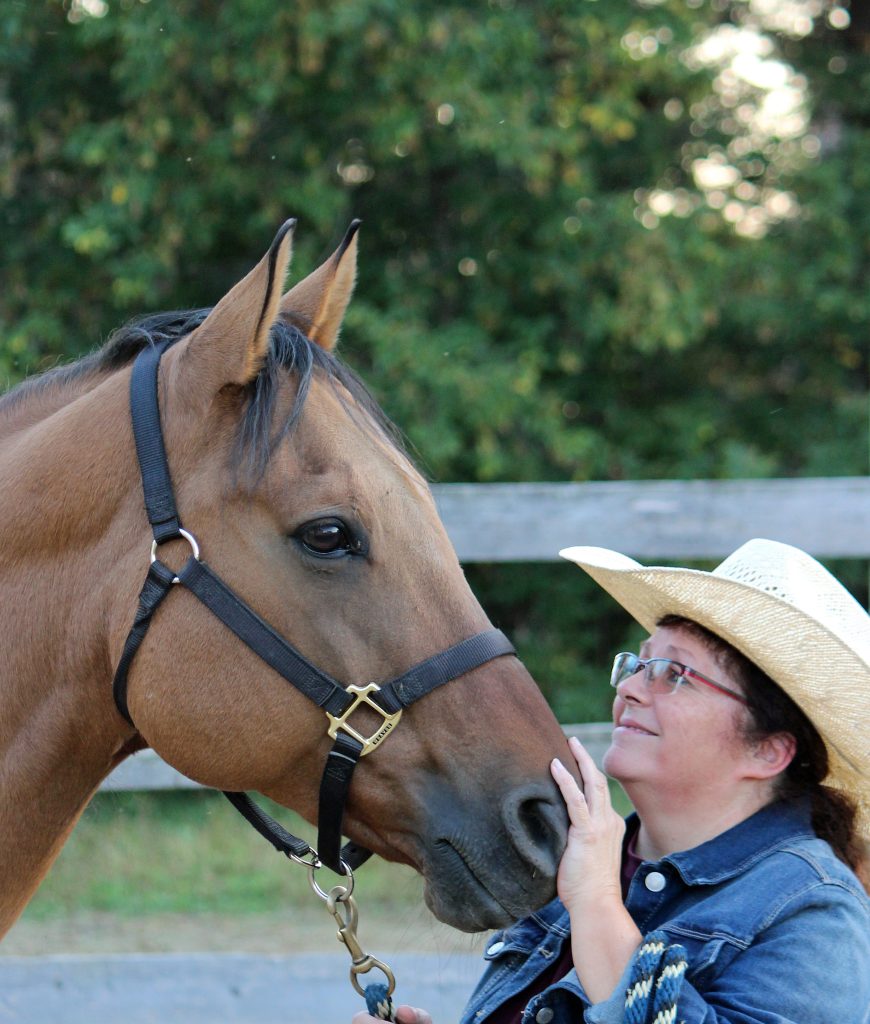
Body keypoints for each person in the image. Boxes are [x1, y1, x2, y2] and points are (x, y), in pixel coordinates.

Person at [352, 538, 870, 1024]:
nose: (633, 690)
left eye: (677, 675)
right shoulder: (584, 861)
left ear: (768, 750)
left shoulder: (815, 911)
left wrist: (597, 901)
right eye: (641, 665)